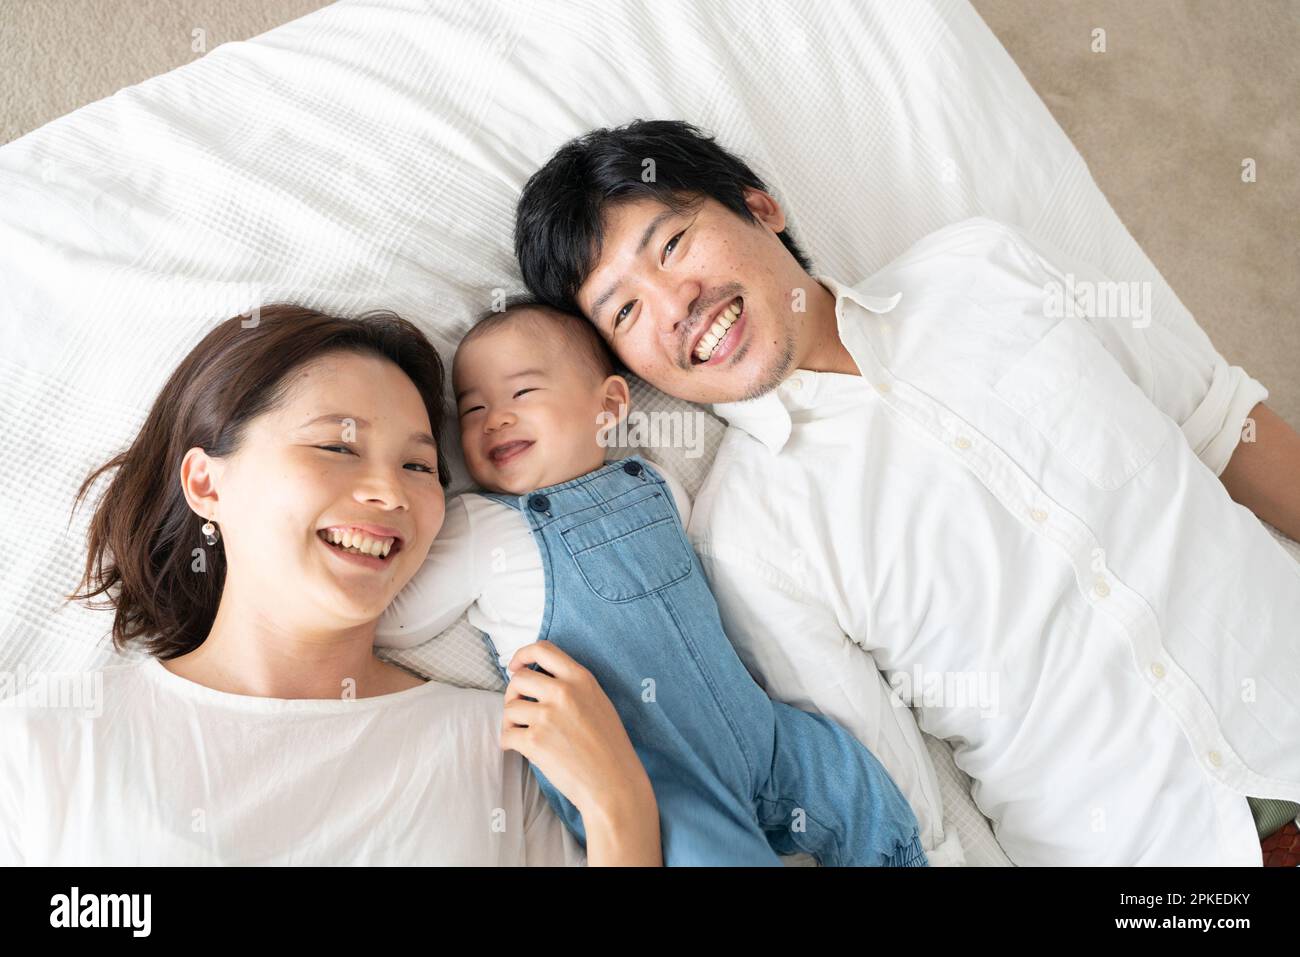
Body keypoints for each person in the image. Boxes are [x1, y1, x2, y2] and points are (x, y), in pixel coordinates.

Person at [511, 118, 1300, 865]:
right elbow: (910, 816)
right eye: (626, 310)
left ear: (760, 204)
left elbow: (1223, 425)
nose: (675, 301)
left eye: (674, 243)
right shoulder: (749, 538)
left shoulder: (984, 267)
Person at [0, 304, 661, 866]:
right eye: (337, 447)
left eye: (418, 464)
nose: (390, 491)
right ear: (207, 483)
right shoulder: (49, 743)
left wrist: (619, 807)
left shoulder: (501, 747)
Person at [374, 300, 927, 866]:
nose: (495, 419)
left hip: (761, 733)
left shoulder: (655, 479)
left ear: (609, 405)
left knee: (850, 778)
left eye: (522, 394)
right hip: (649, 782)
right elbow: (389, 618)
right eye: (472, 410)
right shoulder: (481, 526)